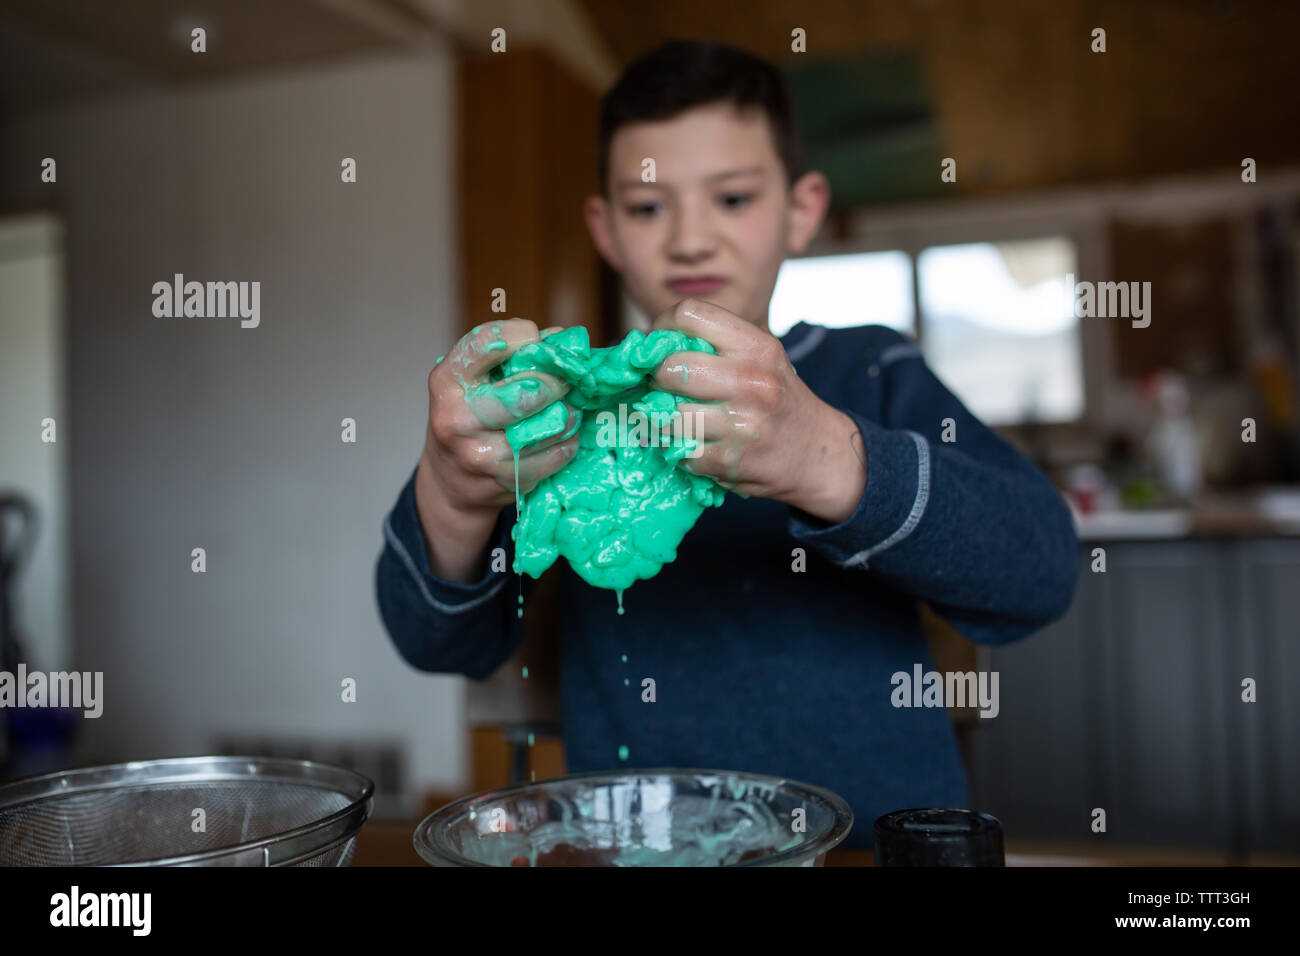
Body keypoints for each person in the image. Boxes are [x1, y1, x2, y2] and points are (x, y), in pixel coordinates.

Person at [374, 39, 1079, 852]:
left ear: (802, 210)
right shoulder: (562, 412)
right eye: (648, 207)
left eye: (734, 197)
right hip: (639, 848)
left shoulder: (869, 371)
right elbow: (433, 642)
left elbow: (1041, 574)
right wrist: (452, 494)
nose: (690, 238)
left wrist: (827, 457)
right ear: (605, 229)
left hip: (872, 849)